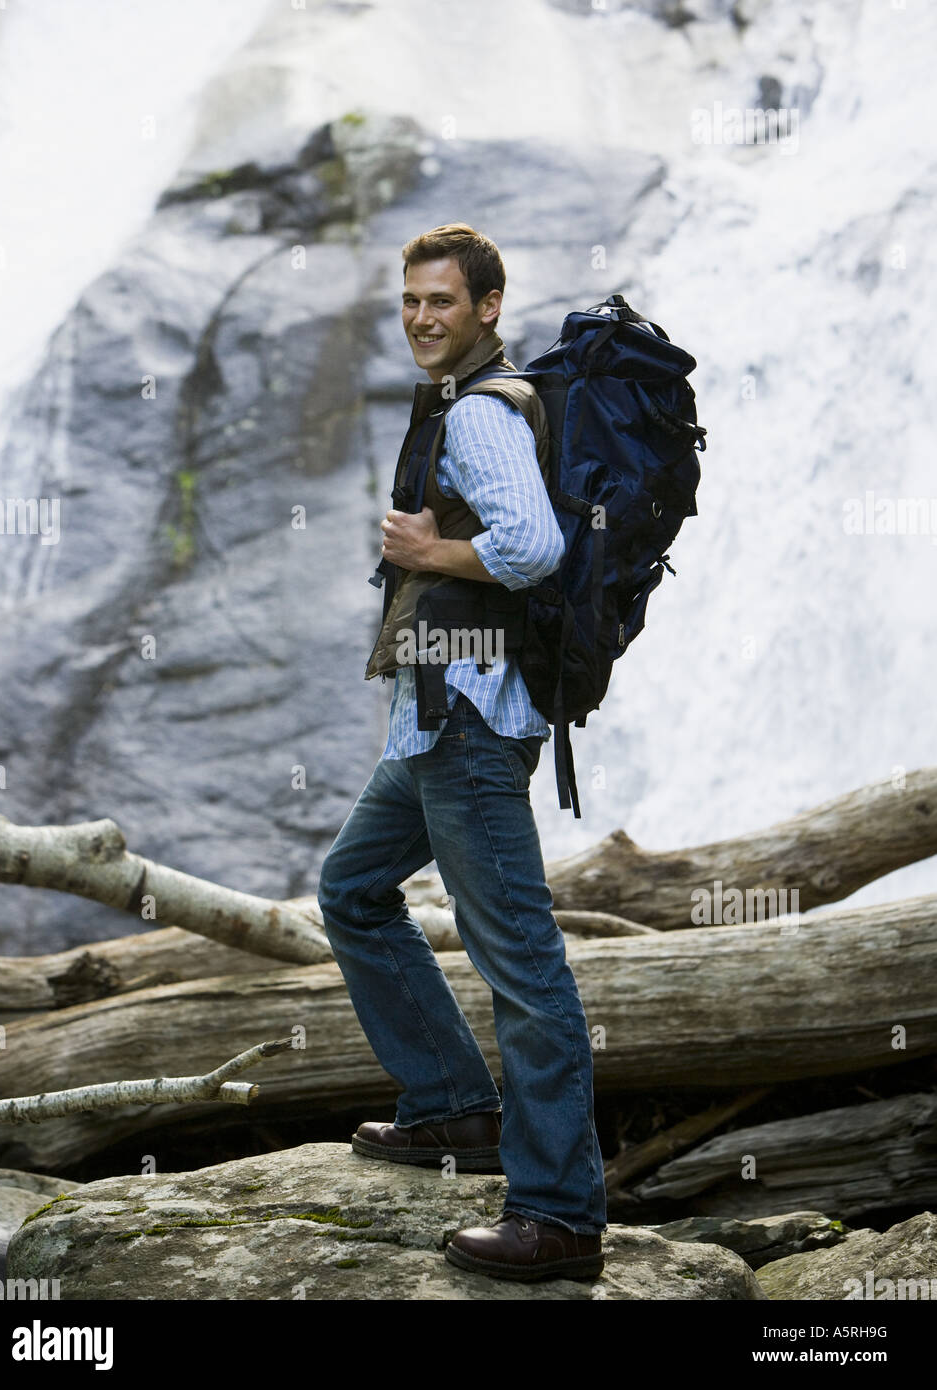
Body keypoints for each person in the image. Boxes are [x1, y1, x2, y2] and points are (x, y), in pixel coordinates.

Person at [316, 223, 607, 1282]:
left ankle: (560, 1215)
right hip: (438, 719)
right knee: (350, 888)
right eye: (411, 302)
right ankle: (451, 1104)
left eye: (443, 301)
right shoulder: (465, 401)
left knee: (523, 966)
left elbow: (535, 547)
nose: (423, 318)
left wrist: (430, 549)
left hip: (472, 725)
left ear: (488, 306)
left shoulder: (482, 413)